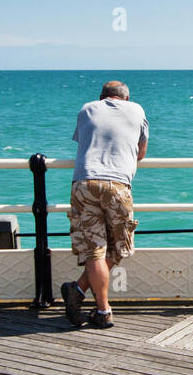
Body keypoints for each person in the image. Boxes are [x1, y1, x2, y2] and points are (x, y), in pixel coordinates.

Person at [62, 80, 148, 328]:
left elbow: (84, 143)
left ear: (102, 97)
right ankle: (84, 296)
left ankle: (97, 306)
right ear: (127, 98)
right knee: (119, 247)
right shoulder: (138, 110)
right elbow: (140, 153)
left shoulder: (87, 109)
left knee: (95, 250)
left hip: (84, 182)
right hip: (118, 185)